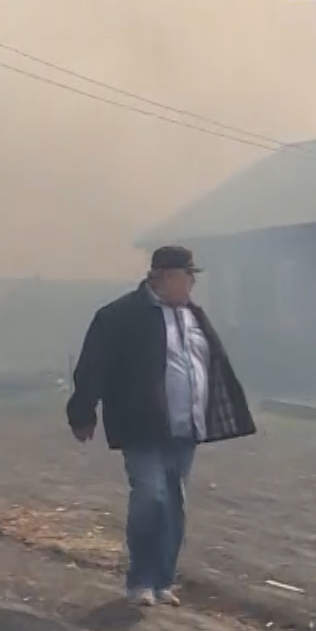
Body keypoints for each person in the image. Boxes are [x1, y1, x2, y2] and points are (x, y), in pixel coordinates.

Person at [66, 245, 256, 609]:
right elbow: (92, 367)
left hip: (187, 426)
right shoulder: (120, 316)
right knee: (150, 496)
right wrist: (82, 412)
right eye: (190, 277)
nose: (193, 285)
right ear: (167, 277)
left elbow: (211, 364)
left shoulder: (193, 316)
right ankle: (140, 579)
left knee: (174, 502)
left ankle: (163, 579)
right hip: (143, 425)